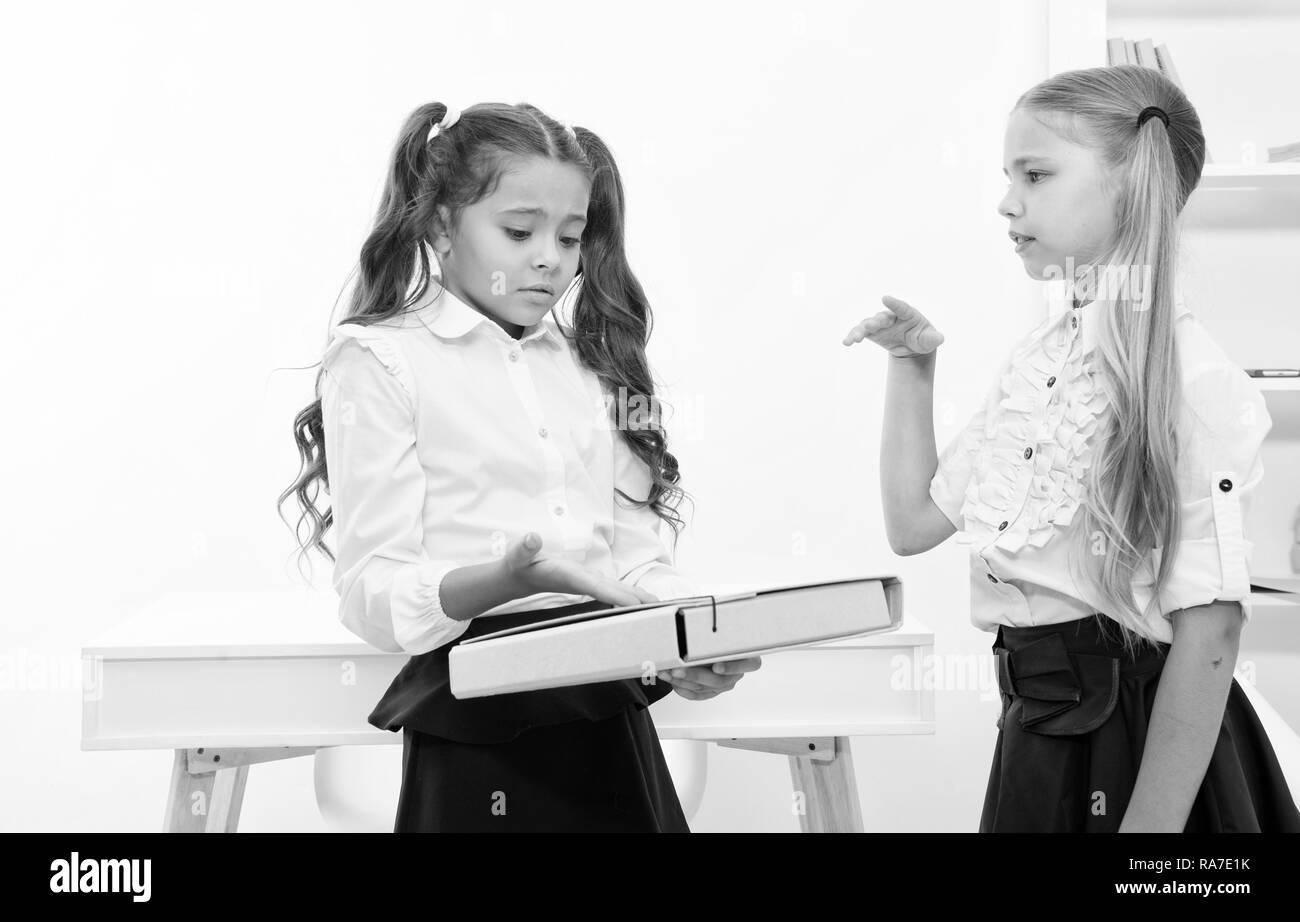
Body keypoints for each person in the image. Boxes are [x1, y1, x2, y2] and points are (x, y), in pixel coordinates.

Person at [280, 101, 759, 832]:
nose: (550, 258)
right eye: (518, 231)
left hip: (606, 710)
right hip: (479, 724)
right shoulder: (382, 360)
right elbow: (372, 592)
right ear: (441, 225)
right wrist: (508, 578)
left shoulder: (589, 361)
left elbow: (631, 559)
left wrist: (683, 636)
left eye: (570, 237)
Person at [844, 65, 1300, 832]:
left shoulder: (1194, 381)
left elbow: (1212, 631)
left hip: (1139, 755)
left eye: (1036, 174)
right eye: (1007, 175)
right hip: (1040, 734)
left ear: (1130, 186)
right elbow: (913, 523)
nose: (1007, 200)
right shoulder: (1041, 361)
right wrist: (912, 367)